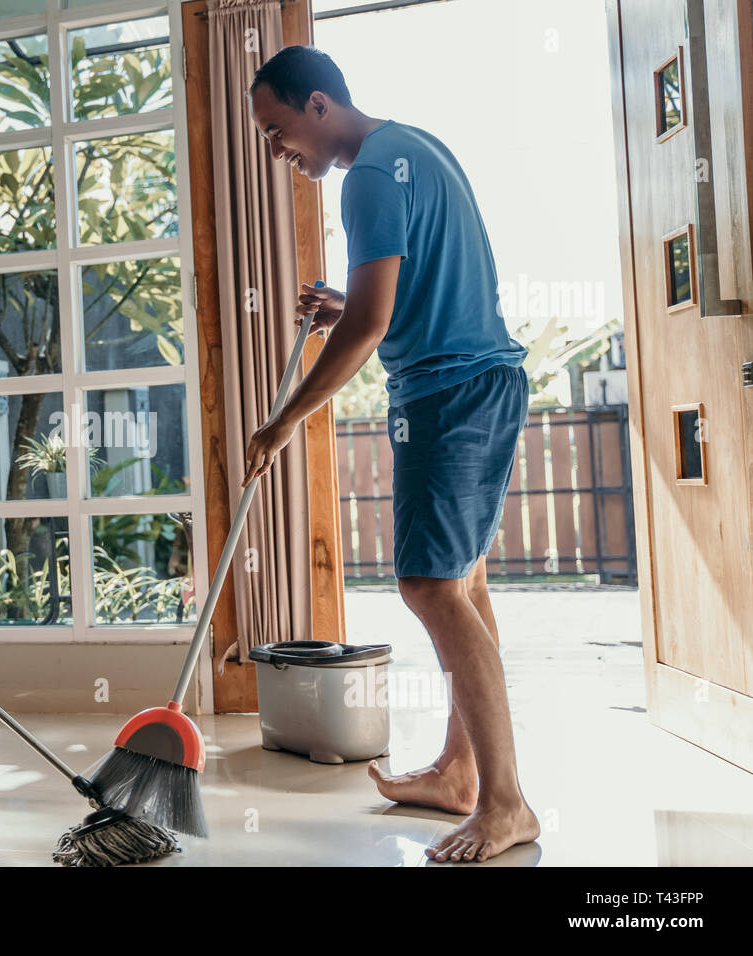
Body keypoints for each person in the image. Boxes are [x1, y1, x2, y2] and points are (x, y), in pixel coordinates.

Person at [241, 45, 539, 863]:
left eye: (276, 130)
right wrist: (346, 302)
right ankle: (458, 772)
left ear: (318, 107)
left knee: (430, 585)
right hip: (481, 382)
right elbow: (397, 296)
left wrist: (283, 422)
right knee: (463, 587)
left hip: (449, 393)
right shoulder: (414, 145)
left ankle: (506, 803)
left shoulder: (366, 175)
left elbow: (373, 329)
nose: (277, 151)